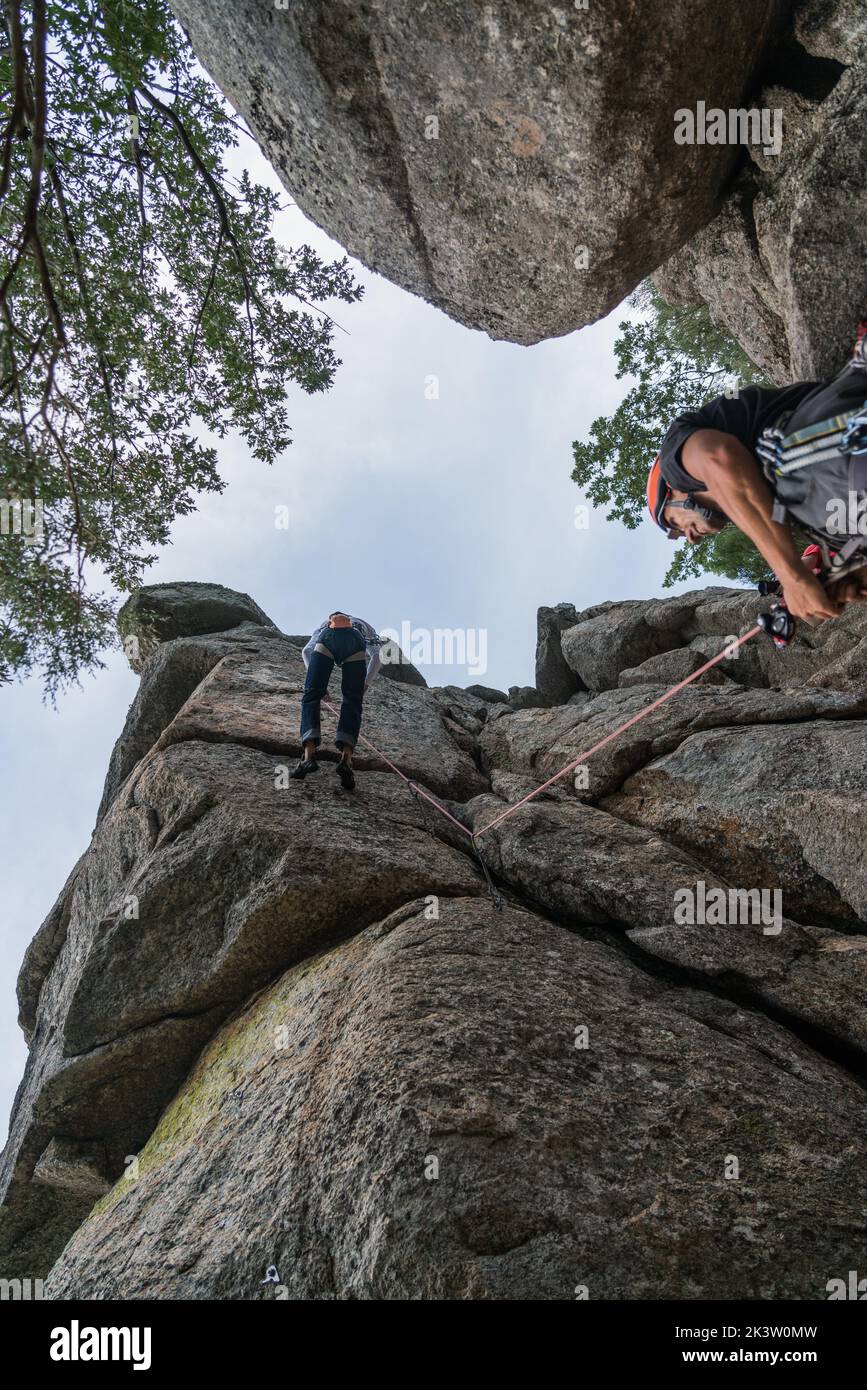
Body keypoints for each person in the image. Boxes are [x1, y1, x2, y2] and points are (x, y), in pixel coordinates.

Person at [646, 318, 867, 623]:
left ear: (672, 492)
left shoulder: (674, 459)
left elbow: (721, 459)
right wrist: (844, 577)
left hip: (840, 437)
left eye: (673, 525)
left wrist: (791, 576)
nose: (690, 538)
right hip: (841, 471)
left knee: (789, 477)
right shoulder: (786, 512)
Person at [291, 611, 381, 790]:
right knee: (352, 703)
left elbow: (306, 651)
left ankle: (308, 757)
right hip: (356, 642)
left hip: (327, 640)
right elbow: (378, 656)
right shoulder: (364, 626)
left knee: (311, 697)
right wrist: (366, 684)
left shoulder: (325, 624)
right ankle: (346, 761)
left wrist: (317, 686)